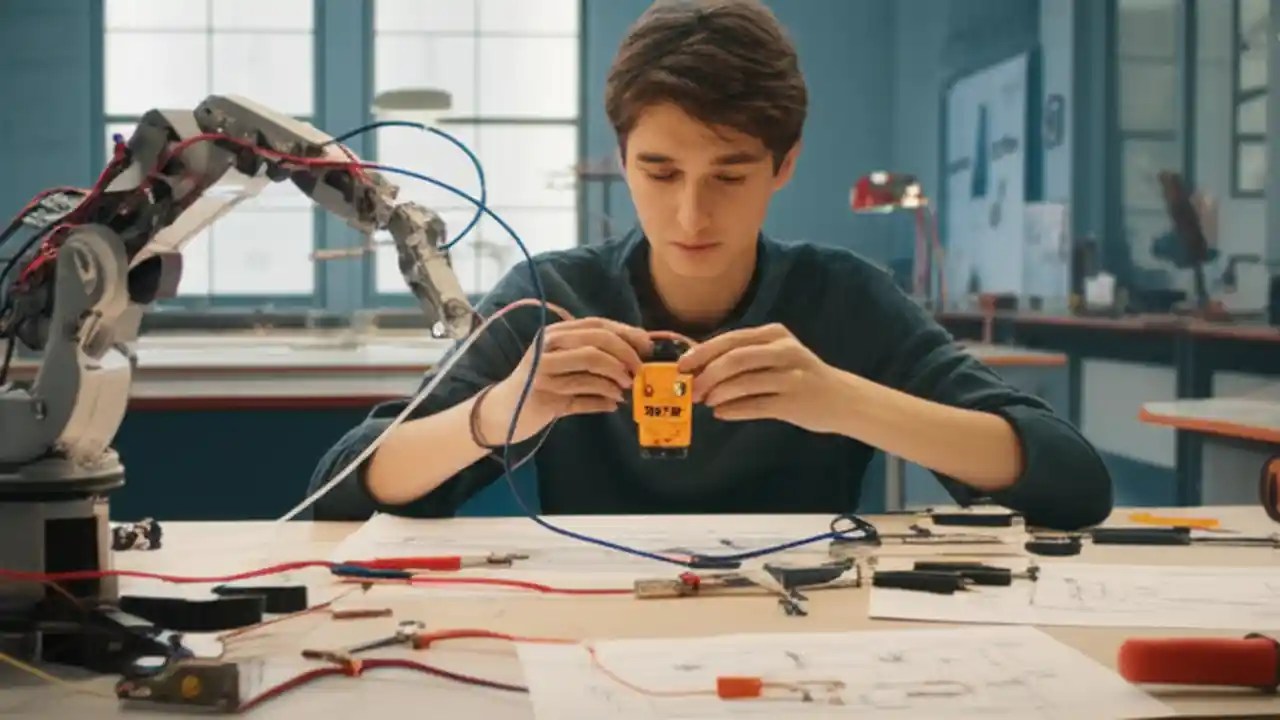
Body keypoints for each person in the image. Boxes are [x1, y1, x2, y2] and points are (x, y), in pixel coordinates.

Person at [307, 0, 1112, 530]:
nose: (692, 216)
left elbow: (1074, 484)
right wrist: (499, 411)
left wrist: (841, 401)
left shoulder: (844, 299)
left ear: (784, 164)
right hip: (593, 631)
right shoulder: (553, 296)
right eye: (660, 173)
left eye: (729, 175)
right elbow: (338, 492)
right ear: (621, 159)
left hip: (808, 646)